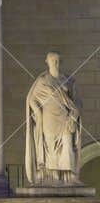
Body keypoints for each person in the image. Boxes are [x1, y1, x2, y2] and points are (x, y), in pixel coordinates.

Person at [26, 51, 83, 186]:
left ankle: (69, 177)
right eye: (52, 60)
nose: (55, 63)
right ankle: (52, 177)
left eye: (57, 60)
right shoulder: (43, 80)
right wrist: (37, 113)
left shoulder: (68, 80)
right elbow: (31, 99)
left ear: (60, 62)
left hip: (65, 119)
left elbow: (77, 102)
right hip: (48, 119)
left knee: (67, 144)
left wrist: (73, 117)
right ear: (47, 62)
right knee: (50, 147)